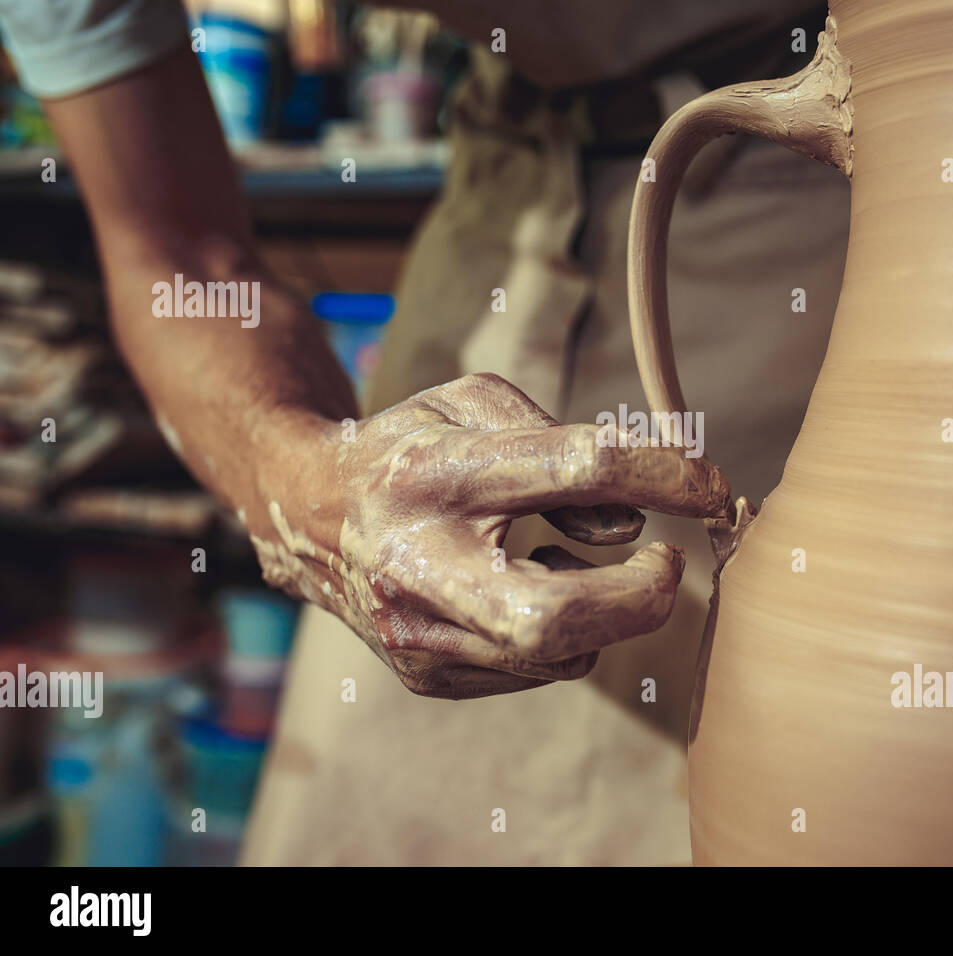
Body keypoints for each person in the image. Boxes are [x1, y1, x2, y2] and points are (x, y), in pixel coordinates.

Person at [0, 0, 849, 863]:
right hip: (515, 161)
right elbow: (178, 260)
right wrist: (312, 489)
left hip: (811, 165)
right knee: (368, 783)